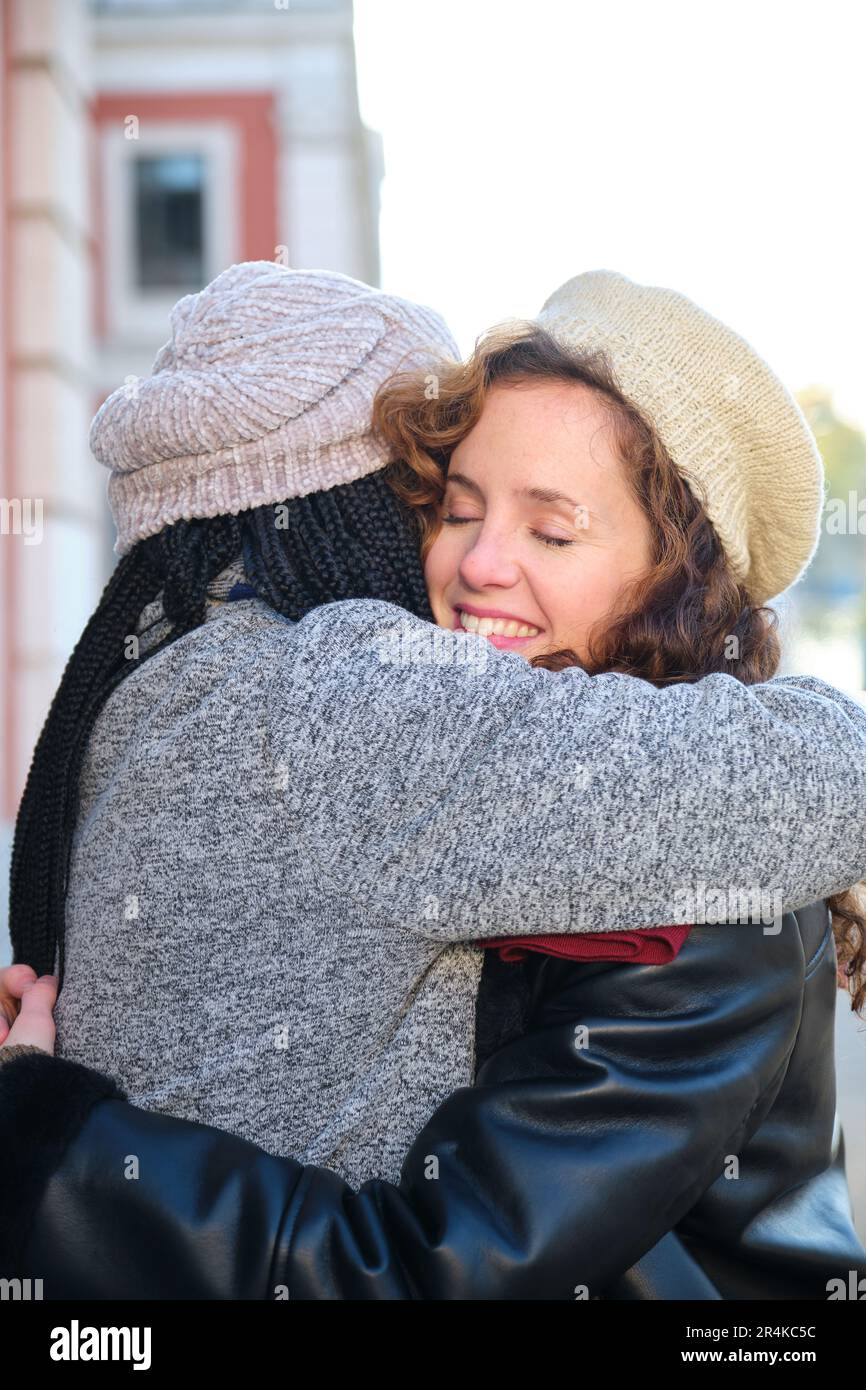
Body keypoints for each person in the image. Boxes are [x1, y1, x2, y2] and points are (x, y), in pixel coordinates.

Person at [2, 265, 866, 1299]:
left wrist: (47, 1143)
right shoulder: (442, 766)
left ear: (675, 582)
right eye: (456, 511)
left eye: (552, 530)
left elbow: (420, 1274)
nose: (480, 564)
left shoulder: (717, 896)